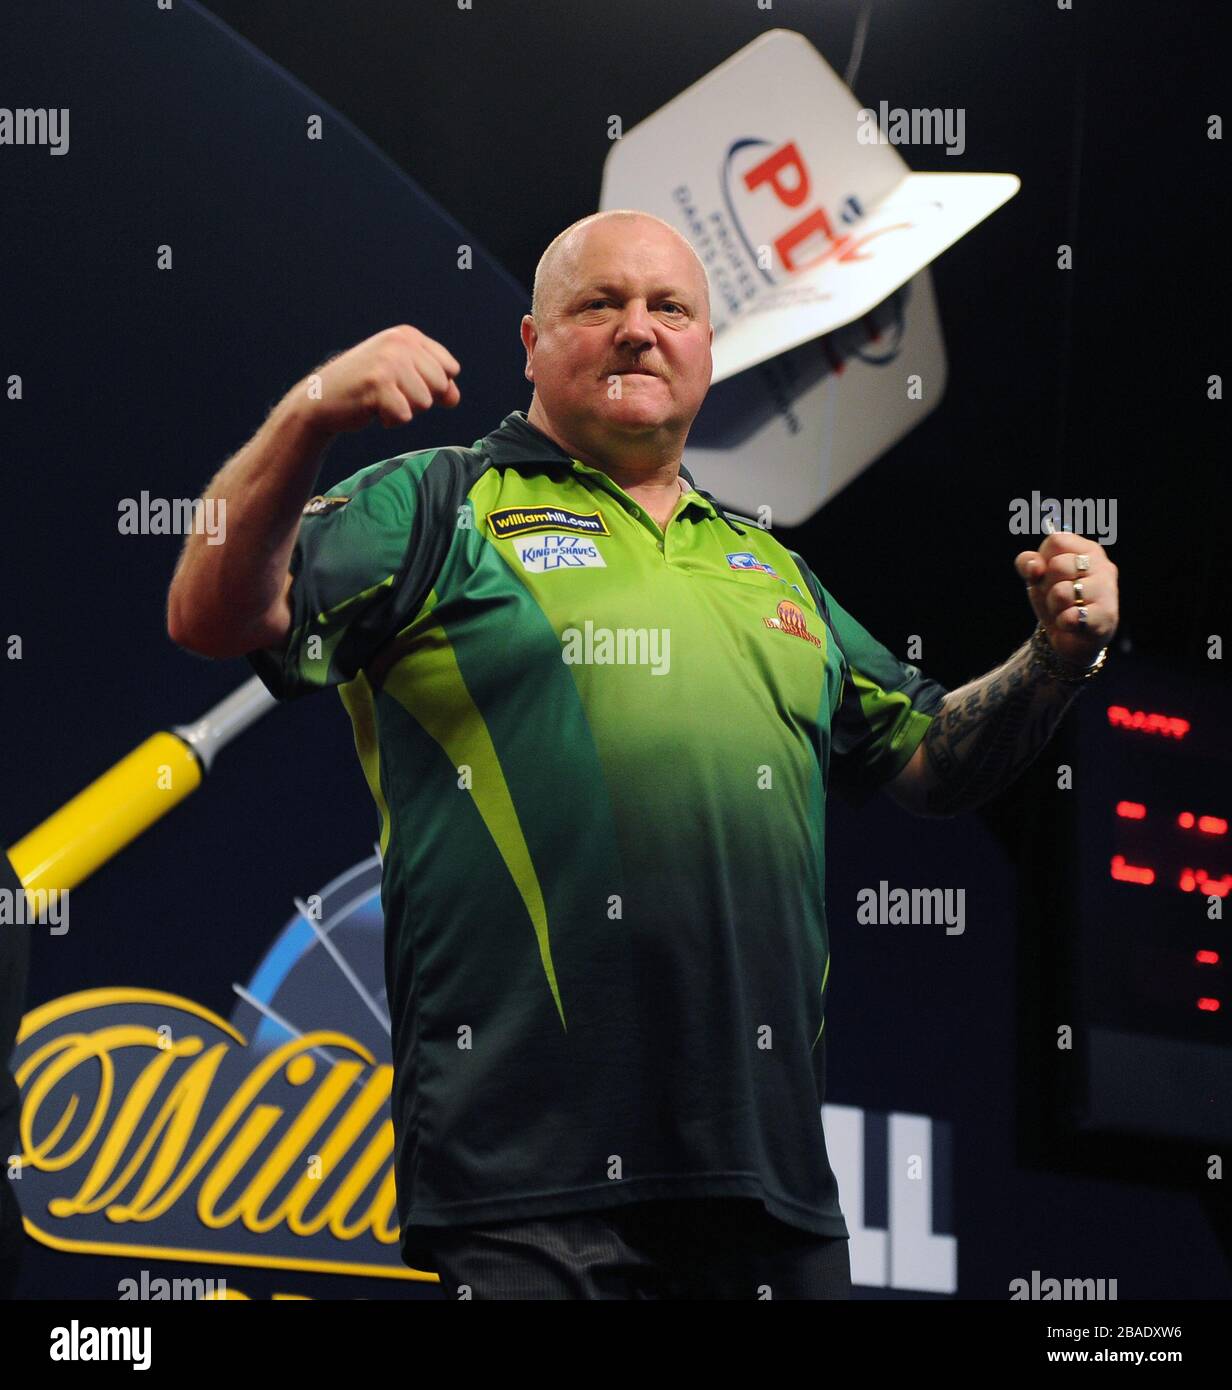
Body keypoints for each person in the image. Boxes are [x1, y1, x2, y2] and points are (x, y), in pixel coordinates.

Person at [166, 209, 1119, 1299]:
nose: (636, 330)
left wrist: (1055, 657)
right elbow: (211, 609)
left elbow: (932, 761)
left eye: (669, 307)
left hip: (766, 1187)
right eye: (597, 304)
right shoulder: (439, 503)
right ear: (529, 342)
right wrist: (308, 414)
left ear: (707, 351)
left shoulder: (773, 572)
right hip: (529, 1178)